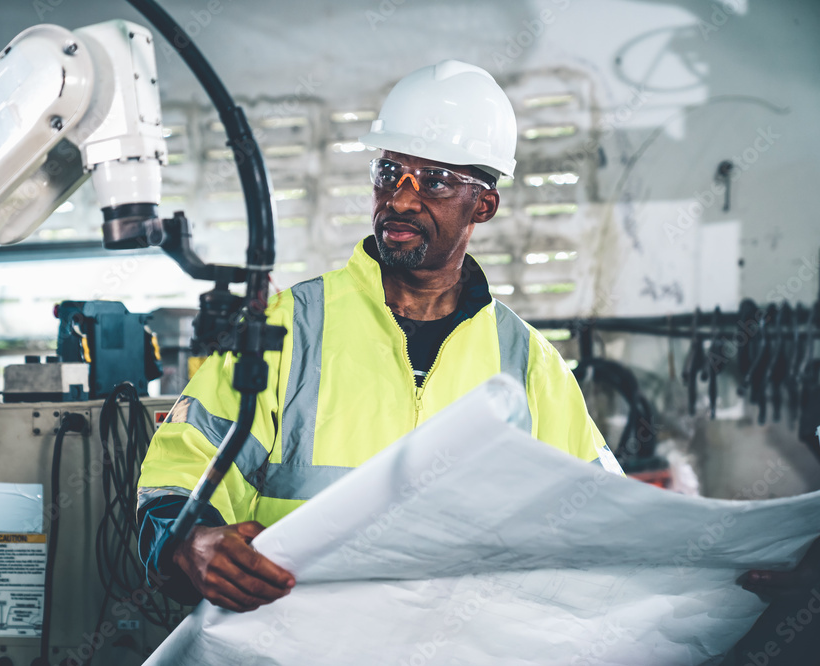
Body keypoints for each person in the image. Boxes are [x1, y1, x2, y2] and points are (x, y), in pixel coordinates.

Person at [136, 60, 624, 613]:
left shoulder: (529, 363)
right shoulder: (285, 327)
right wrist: (190, 543)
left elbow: (605, 513)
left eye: (435, 180)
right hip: (297, 646)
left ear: (483, 204)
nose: (401, 199)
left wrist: (719, 569)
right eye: (390, 172)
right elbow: (176, 474)